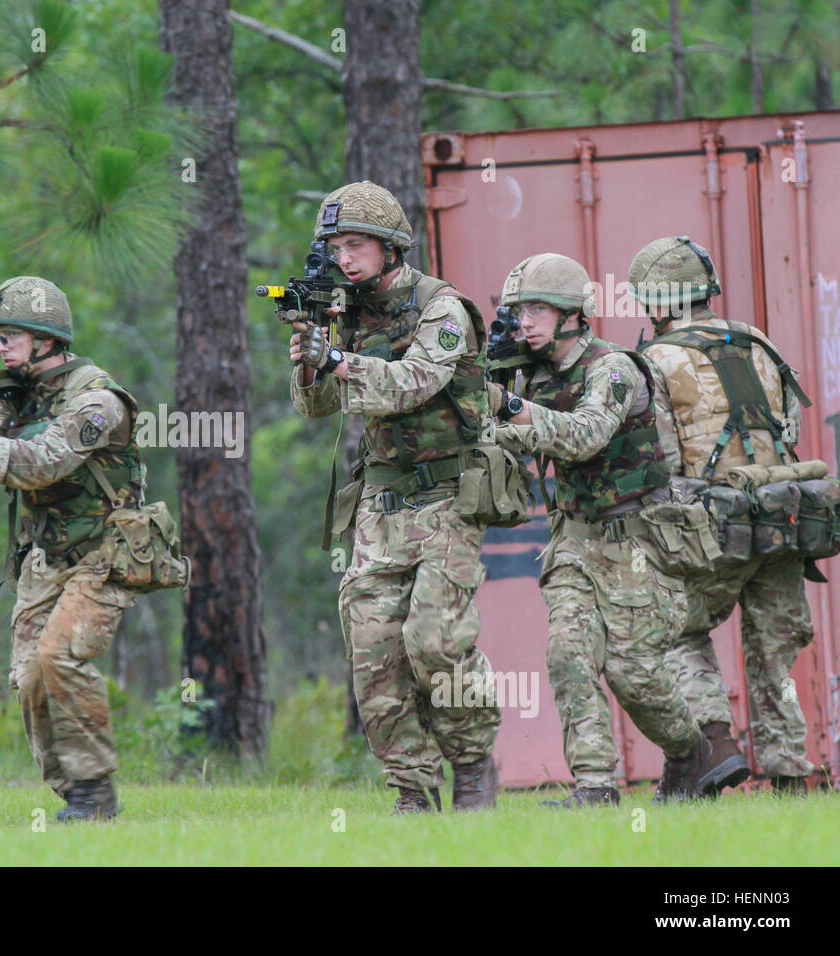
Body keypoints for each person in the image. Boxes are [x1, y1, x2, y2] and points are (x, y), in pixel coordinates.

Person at [290, 181, 501, 814]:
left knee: (433, 643)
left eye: (354, 246)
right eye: (334, 247)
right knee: (374, 656)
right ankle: (411, 788)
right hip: (382, 506)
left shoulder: (443, 308)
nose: (343, 259)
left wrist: (340, 361)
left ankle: (470, 767)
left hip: (447, 498)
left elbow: (415, 383)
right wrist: (309, 350)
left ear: (389, 246)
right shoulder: (341, 312)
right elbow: (313, 406)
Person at [491, 252, 716, 807]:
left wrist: (510, 406)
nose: (525, 321)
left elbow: (586, 435)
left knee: (633, 674)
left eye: (538, 309)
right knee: (568, 653)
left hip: (637, 540)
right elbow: (511, 438)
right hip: (574, 538)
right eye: (520, 310)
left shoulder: (612, 367)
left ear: (573, 313)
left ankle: (691, 752)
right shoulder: (534, 372)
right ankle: (595, 788)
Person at [0, 275, 147, 821]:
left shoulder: (96, 399)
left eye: (9, 338)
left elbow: (45, 459)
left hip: (104, 553)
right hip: (47, 555)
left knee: (59, 656)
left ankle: (95, 790)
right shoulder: (21, 397)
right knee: (28, 677)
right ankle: (75, 795)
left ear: (46, 339)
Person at [631, 235, 816, 795]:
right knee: (774, 654)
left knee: (679, 632)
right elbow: (790, 428)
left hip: (710, 524)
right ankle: (788, 774)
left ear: (658, 302)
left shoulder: (654, 360)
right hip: (782, 513)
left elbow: (659, 461)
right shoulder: (758, 341)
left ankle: (717, 747)